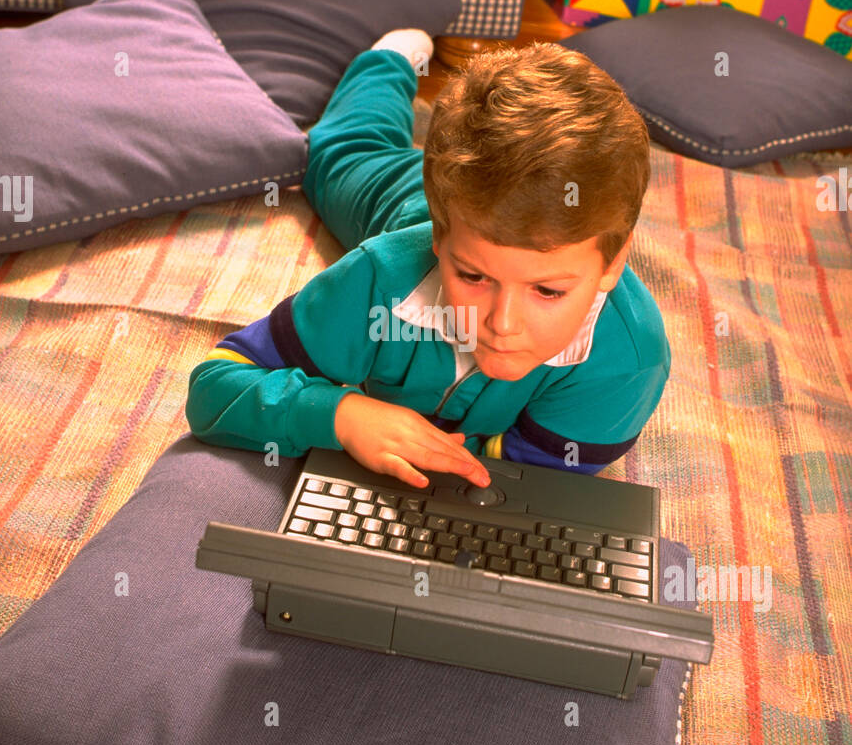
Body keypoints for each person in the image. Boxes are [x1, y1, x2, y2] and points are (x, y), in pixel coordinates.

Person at [185, 29, 670, 491]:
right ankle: (391, 61)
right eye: (473, 276)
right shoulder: (380, 276)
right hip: (402, 201)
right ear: (440, 241)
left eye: (548, 291)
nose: (502, 323)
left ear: (612, 265)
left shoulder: (629, 362)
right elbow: (215, 387)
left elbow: (526, 484)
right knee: (338, 150)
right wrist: (340, 415)